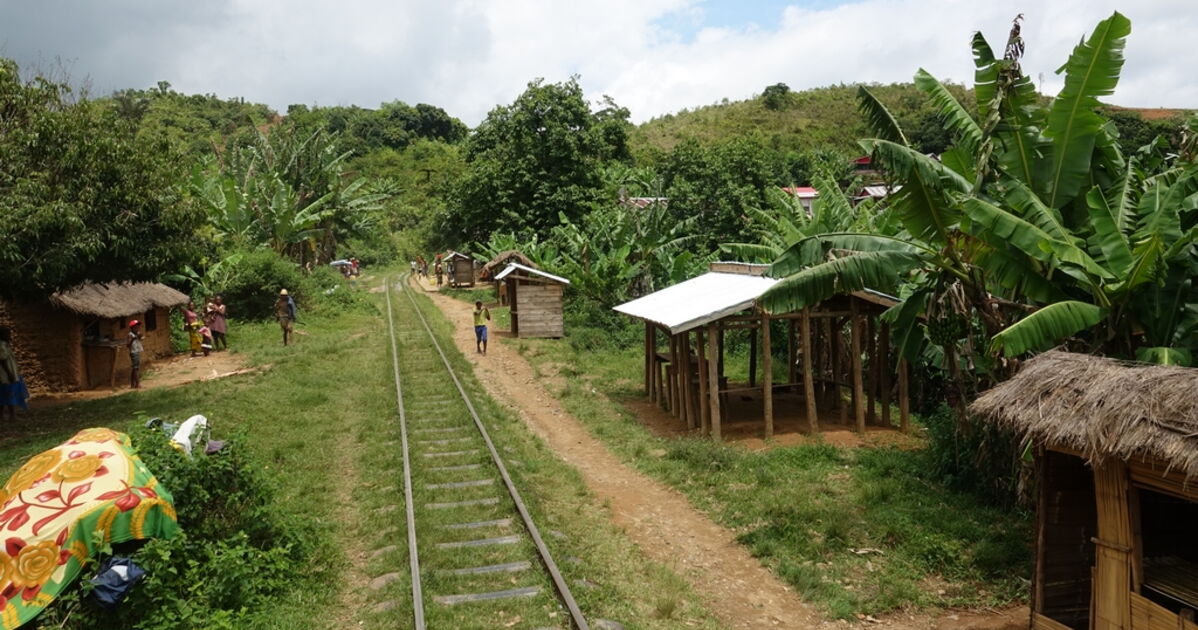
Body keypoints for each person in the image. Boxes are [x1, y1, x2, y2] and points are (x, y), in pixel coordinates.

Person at [0, 326, 29, 421]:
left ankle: (3, 416)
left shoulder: (5, 345)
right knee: (9, 396)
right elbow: (3, 361)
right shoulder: (2, 345)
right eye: (7, 334)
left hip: (5, 376)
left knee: (4, 396)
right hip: (6, 376)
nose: (10, 336)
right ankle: (12, 416)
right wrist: (10, 374)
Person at [127, 320, 144, 389]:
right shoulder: (130, 335)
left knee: (135, 368)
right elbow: (128, 345)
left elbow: (141, 338)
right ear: (132, 327)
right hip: (133, 352)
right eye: (136, 326)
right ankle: (137, 384)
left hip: (137, 351)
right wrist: (132, 339)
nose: (138, 327)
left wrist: (140, 337)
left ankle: (132, 384)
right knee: (136, 368)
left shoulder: (138, 333)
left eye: (138, 326)